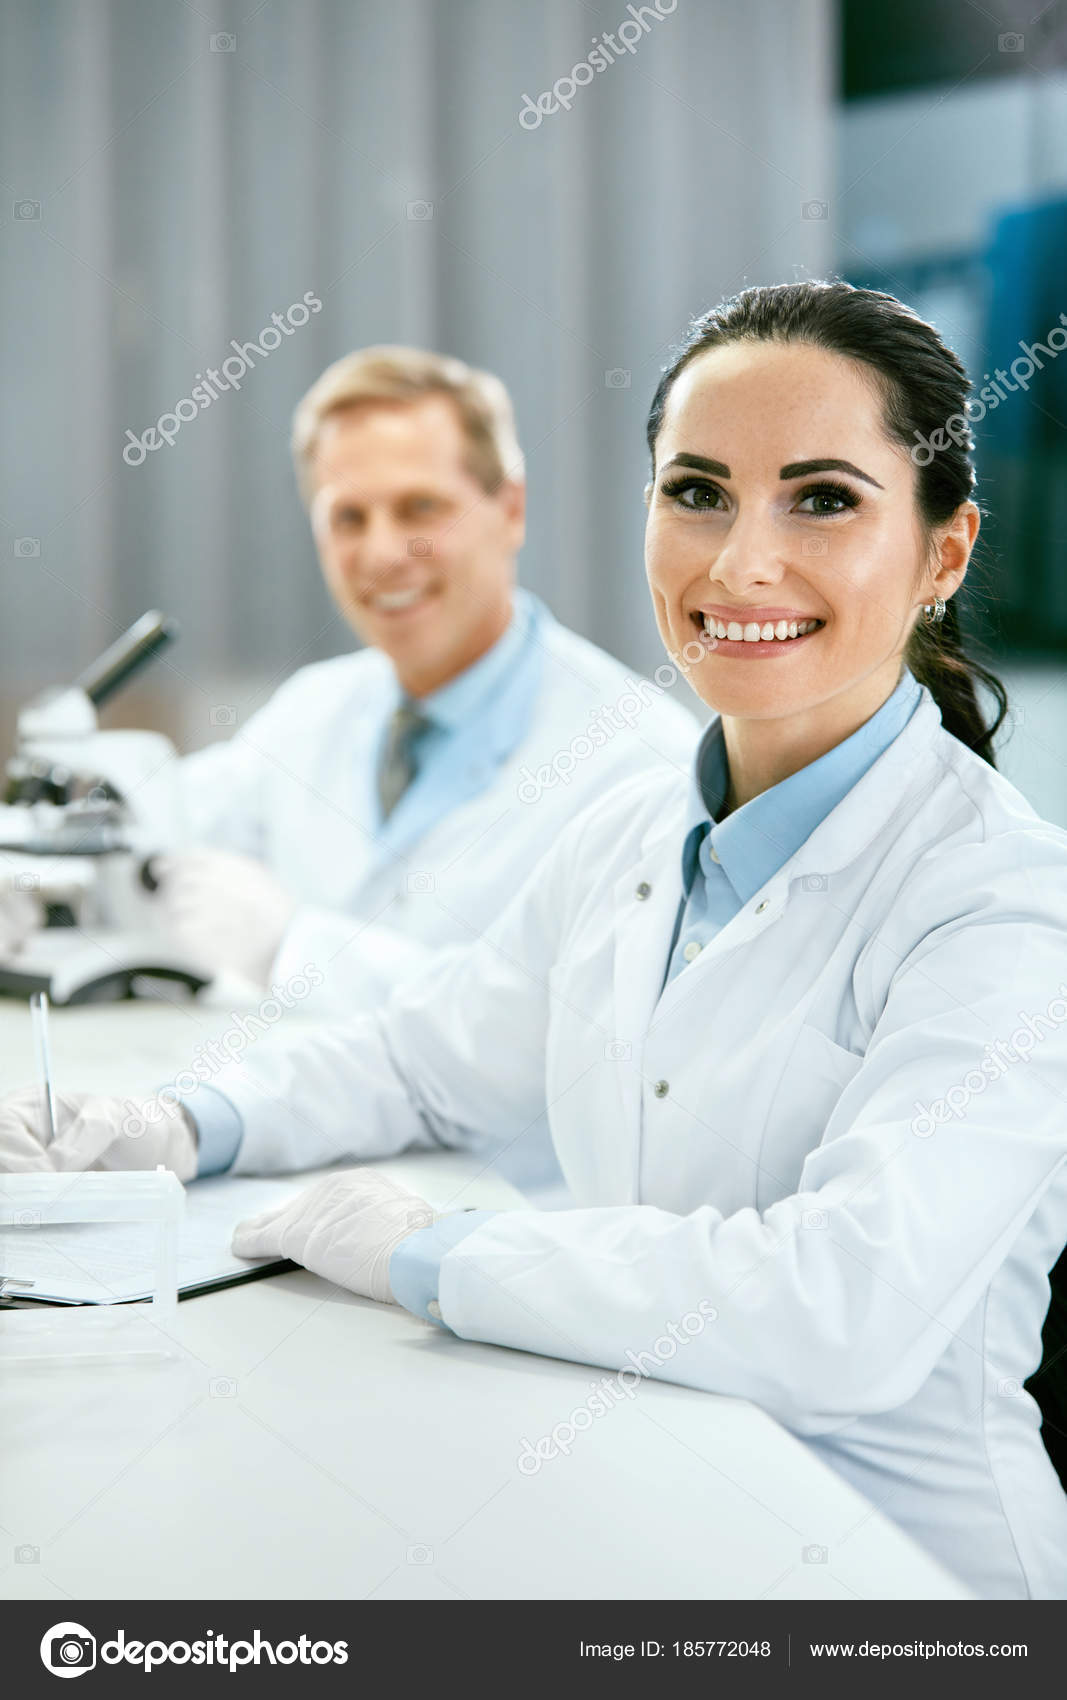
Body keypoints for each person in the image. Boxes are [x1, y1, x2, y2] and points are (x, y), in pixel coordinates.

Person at [3, 282, 1066, 1601]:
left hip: (893, 1575)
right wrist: (178, 1122)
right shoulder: (633, 825)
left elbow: (834, 1309)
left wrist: (429, 1250)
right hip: (648, 1499)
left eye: (822, 498)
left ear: (942, 553)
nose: (739, 562)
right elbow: (427, 1059)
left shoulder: (1001, 906)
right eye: (695, 492)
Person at [0, 346, 699, 1017]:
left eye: (419, 508)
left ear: (509, 509)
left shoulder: (636, 758)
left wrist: (295, 948)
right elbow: (159, 832)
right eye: (347, 517)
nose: (383, 553)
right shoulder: (314, 711)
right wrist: (37, 884)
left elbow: (565, 1033)